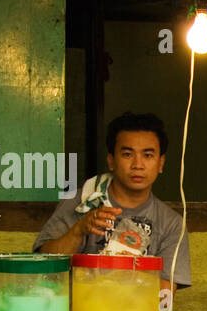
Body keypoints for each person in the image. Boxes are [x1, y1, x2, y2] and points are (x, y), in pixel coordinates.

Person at [35, 111, 190, 293]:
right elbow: (43, 266)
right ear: (111, 161)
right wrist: (78, 230)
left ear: (161, 163)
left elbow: (165, 293)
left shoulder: (171, 224)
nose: (137, 165)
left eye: (148, 155)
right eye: (127, 154)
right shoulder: (81, 201)